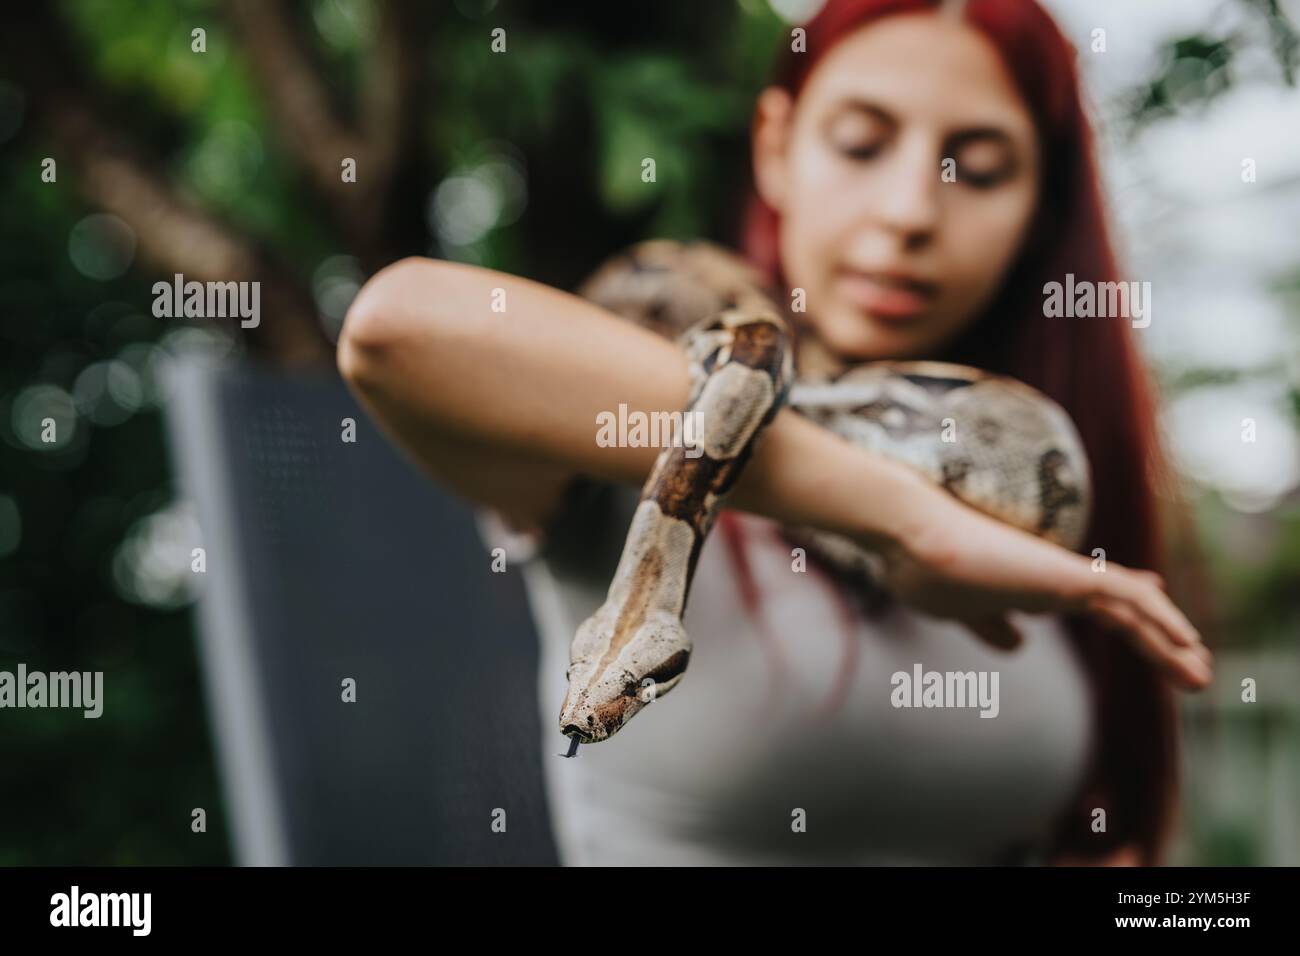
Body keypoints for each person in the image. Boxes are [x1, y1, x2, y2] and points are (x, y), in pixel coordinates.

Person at [336, 0, 1213, 865]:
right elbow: (393, 326)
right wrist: (903, 519)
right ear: (775, 147)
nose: (910, 211)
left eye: (975, 169)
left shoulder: (1037, 431)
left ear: (1040, 206)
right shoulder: (605, 438)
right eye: (862, 145)